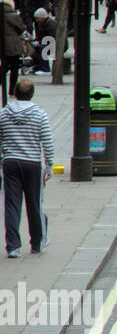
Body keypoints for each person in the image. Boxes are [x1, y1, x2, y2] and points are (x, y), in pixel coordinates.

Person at [0, 78, 54, 257]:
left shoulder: (4, 113)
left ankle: (13, 247)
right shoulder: (39, 114)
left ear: (15, 93)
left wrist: (3, 158)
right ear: (32, 94)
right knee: (34, 204)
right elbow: (47, 141)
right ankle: (37, 243)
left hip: (11, 164)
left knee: (12, 205)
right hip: (32, 164)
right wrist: (50, 165)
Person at [2, 0, 24, 100]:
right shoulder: (13, 15)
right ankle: (12, 91)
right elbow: (21, 28)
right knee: (14, 68)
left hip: (2, 44)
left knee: (4, 67)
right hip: (13, 44)